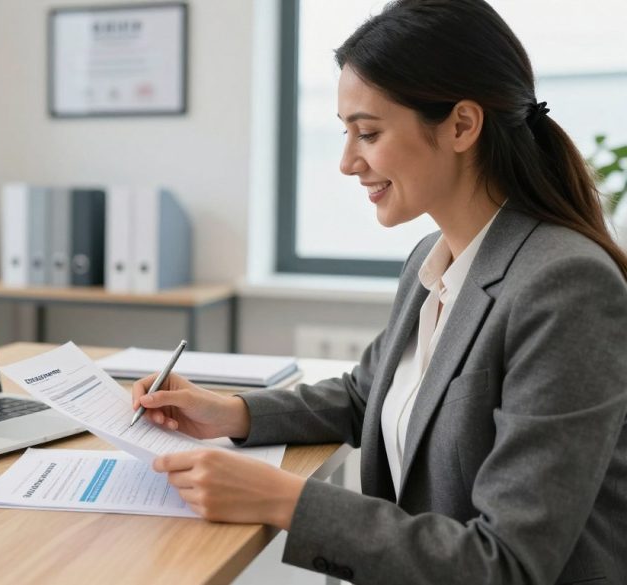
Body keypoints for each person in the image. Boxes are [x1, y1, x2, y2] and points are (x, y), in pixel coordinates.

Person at [131, 1, 627, 583]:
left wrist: (284, 500)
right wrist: (230, 413)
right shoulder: (433, 258)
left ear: (462, 126)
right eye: (345, 132)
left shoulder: (566, 287)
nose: (347, 162)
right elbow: (367, 396)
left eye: (367, 133)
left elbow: (508, 564)